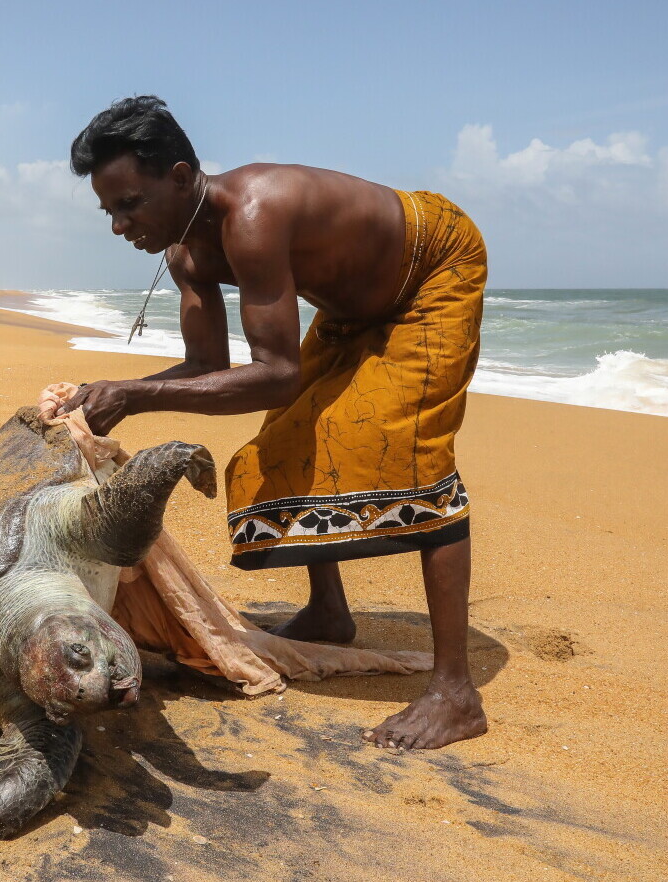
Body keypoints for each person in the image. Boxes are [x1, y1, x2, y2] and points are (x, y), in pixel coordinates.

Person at [60, 96, 487, 750]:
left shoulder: (254, 215)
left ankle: (456, 691)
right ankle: (328, 611)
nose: (119, 226)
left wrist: (136, 396)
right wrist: (112, 393)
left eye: (130, 205)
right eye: (109, 211)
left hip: (432, 269)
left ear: (179, 178)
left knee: (409, 453)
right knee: (285, 441)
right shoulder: (186, 256)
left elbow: (278, 370)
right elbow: (207, 364)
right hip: (351, 310)